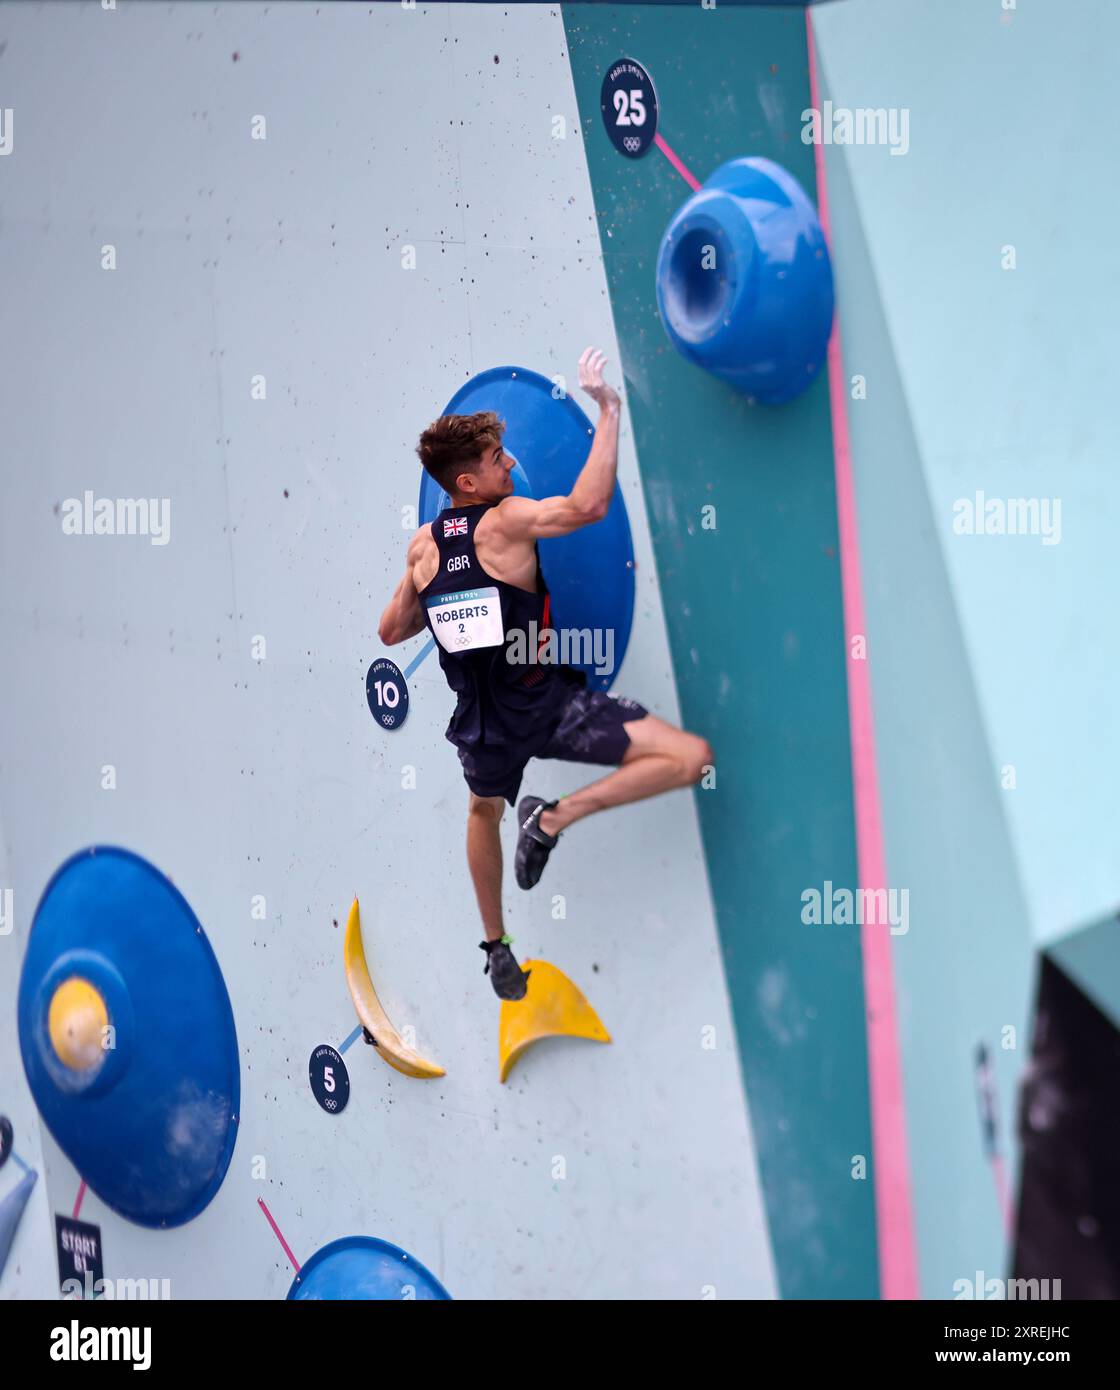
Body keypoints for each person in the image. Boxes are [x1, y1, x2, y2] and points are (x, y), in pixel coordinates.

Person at [379, 348, 713, 1000]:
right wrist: (608, 411)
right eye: (497, 460)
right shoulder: (507, 520)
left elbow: (392, 630)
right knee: (692, 757)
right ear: (468, 484)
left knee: (482, 811)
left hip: (483, 730)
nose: (510, 464)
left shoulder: (423, 546)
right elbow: (589, 506)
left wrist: (442, 594)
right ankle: (552, 821)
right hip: (550, 710)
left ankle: (502, 931)